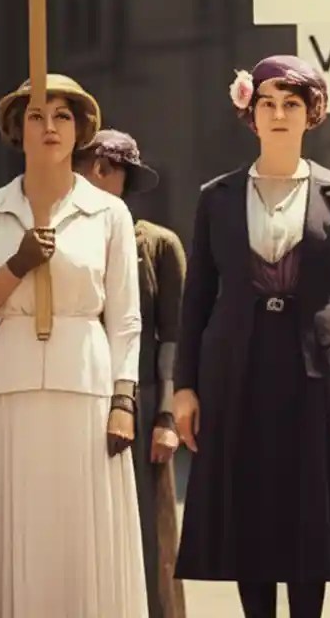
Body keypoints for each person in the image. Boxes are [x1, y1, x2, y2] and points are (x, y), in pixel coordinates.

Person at [172, 55, 330, 618]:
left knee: (312, 501)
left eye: (292, 104)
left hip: (319, 364)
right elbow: (197, 298)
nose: (279, 114)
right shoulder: (218, 196)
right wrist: (184, 386)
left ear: (312, 114)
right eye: (268, 103)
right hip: (236, 362)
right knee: (247, 501)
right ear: (250, 113)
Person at [0, 74, 146, 615]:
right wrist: (14, 268)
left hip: (86, 386)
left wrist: (123, 399)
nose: (50, 126)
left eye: (62, 115)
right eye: (37, 115)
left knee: (77, 531)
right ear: (18, 128)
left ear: (79, 129)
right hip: (6, 389)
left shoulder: (110, 213)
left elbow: (125, 317)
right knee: (15, 526)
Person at [76, 129, 187, 618]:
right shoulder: (62, 239)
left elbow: (173, 336)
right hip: (78, 391)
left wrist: (164, 414)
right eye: (96, 167)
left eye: (112, 170)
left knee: (148, 528)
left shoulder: (157, 245)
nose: (101, 178)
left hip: (140, 402)